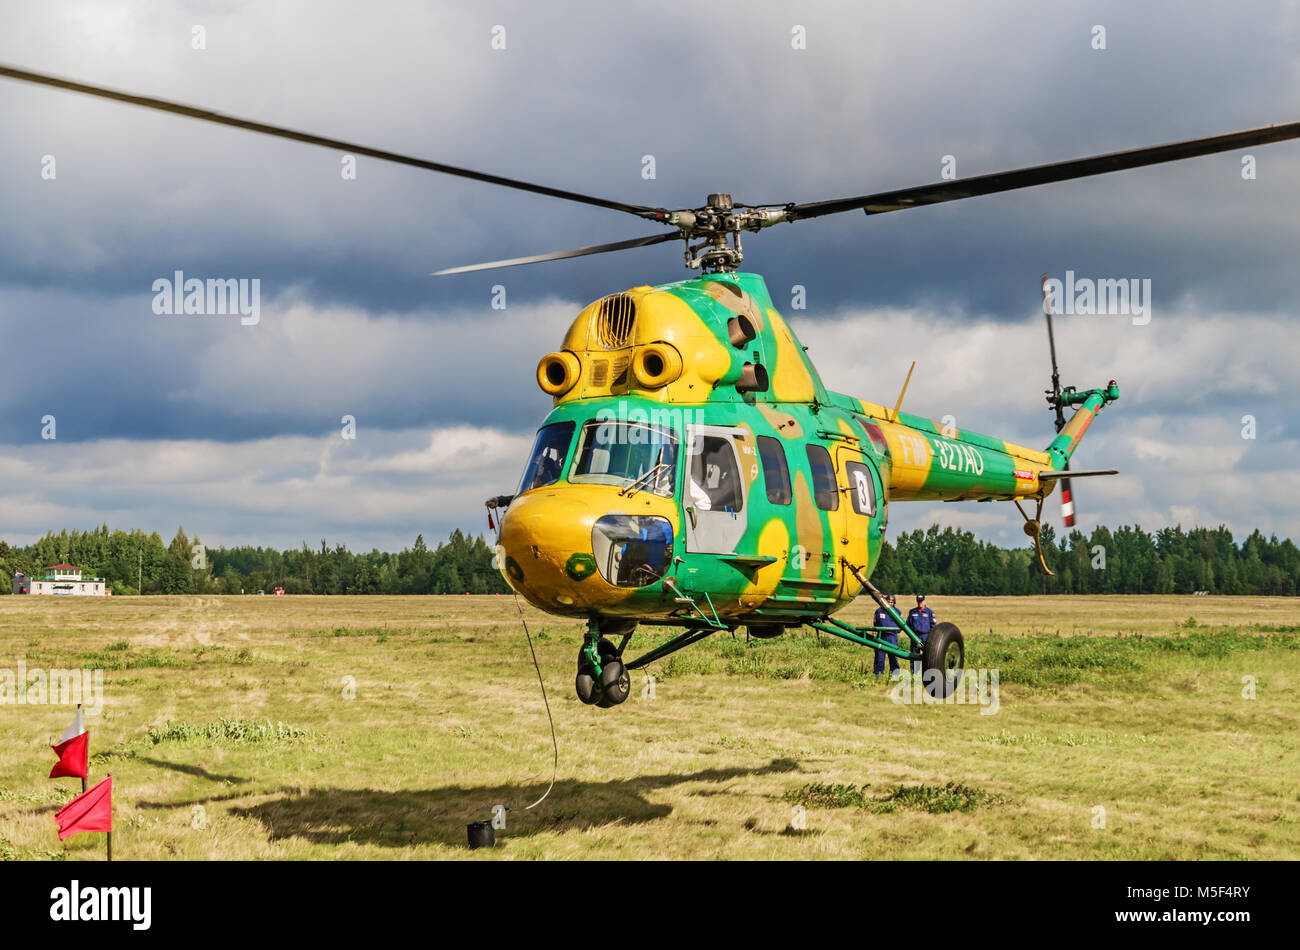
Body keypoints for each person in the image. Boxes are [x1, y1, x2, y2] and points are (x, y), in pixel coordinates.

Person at [872, 594, 902, 679]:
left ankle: (895, 676)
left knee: (893, 657)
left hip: (892, 637)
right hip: (881, 637)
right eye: (888, 602)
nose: (890, 604)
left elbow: (901, 626)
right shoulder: (879, 611)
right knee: (879, 658)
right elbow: (875, 623)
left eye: (892, 602)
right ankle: (878, 676)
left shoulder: (897, 612)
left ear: (894, 603)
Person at [907, 594, 937, 674]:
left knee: (927, 656)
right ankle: (914, 674)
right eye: (918, 601)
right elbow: (908, 625)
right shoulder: (912, 612)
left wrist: (931, 638)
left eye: (921, 601)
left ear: (924, 601)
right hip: (915, 636)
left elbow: (933, 626)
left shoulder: (929, 612)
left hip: (926, 636)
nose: (920, 603)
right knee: (914, 656)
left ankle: (927, 674)